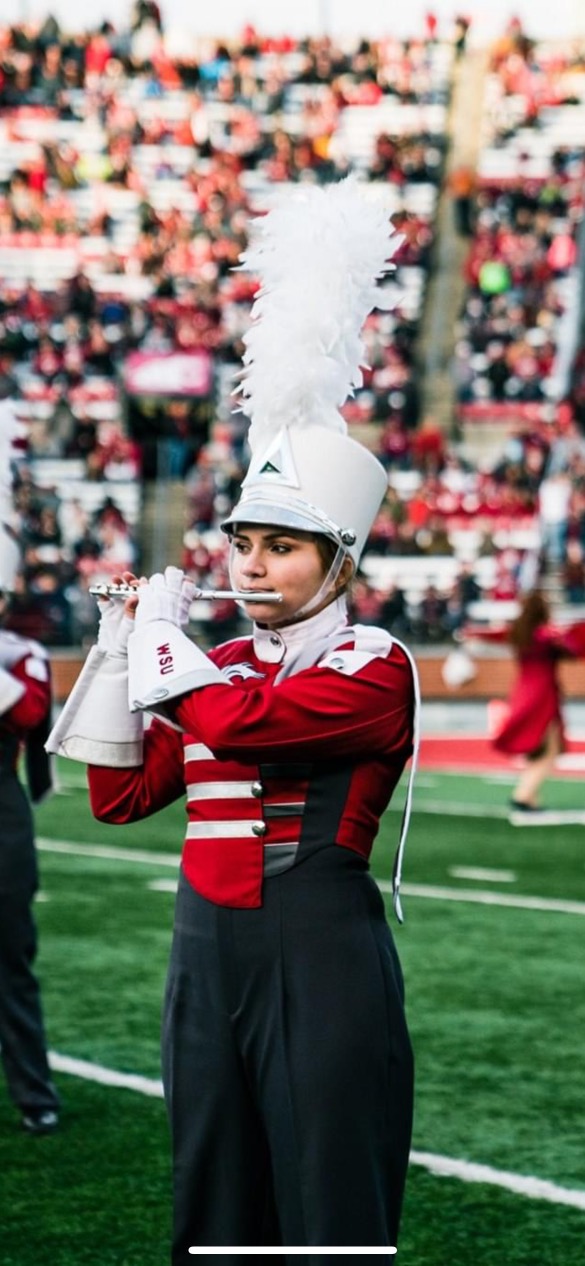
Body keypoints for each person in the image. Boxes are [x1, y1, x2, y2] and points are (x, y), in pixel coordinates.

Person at [48, 178, 420, 1259]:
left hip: (320, 952)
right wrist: (122, 647)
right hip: (201, 953)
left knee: (326, 1206)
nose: (251, 566)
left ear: (337, 560)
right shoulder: (211, 666)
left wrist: (161, 643)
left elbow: (249, 724)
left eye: (282, 547)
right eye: (243, 544)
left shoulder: (374, 665)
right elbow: (120, 797)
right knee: (214, 1206)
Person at [0, 404, 59, 1135]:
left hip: (2, 817)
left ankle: (34, 1092)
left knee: (10, 959)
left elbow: (29, 714)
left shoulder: (20, 655)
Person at [462, 590, 585, 822]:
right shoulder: (546, 634)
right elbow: (573, 650)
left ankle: (529, 796)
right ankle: (523, 795)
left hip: (523, 690)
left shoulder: (520, 633)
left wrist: (471, 632)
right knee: (550, 749)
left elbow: (495, 634)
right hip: (543, 693)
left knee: (541, 747)